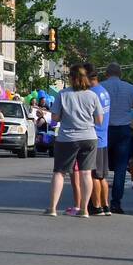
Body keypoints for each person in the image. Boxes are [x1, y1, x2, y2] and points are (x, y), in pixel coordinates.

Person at [45, 64, 104, 217]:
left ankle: (52, 208)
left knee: (59, 172)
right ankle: (84, 209)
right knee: (86, 173)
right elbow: (99, 120)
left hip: (67, 138)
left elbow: (55, 118)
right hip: (89, 137)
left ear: (71, 78)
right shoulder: (92, 96)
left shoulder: (63, 94)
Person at [100, 63, 133, 214]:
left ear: (106, 74)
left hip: (105, 129)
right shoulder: (130, 89)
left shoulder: (100, 88)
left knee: (100, 166)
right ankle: (116, 202)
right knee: (121, 167)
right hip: (124, 130)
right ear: (120, 74)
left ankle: (98, 200)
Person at [83, 62, 112, 216]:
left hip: (94, 137)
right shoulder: (104, 92)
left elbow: (92, 117)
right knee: (102, 176)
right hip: (104, 137)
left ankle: (97, 205)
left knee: (93, 175)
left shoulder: (92, 94)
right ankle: (106, 205)